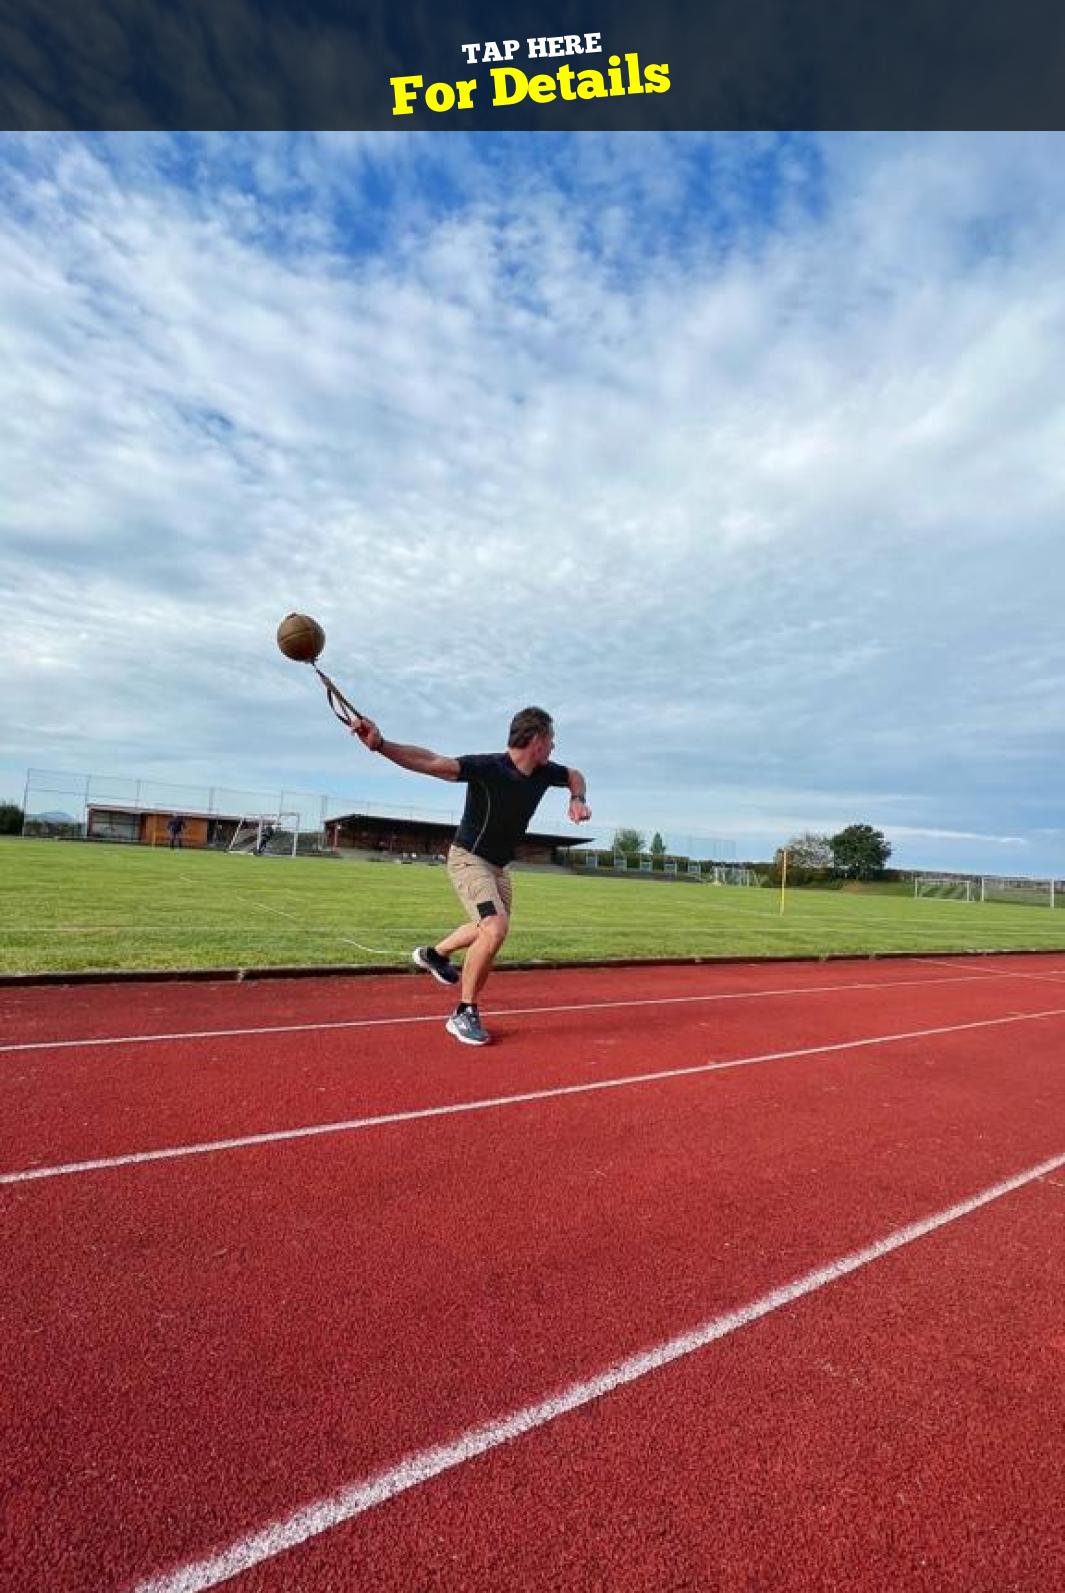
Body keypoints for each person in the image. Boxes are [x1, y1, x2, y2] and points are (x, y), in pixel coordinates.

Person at [353, 706, 591, 1045]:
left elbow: (575, 775)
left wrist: (577, 799)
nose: (554, 747)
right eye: (552, 739)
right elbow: (431, 762)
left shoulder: (544, 772)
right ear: (537, 741)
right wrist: (381, 744)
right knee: (494, 929)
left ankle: (435, 955)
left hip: (499, 866)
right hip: (469, 859)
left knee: (490, 928)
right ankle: (463, 1012)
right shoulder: (488, 768)